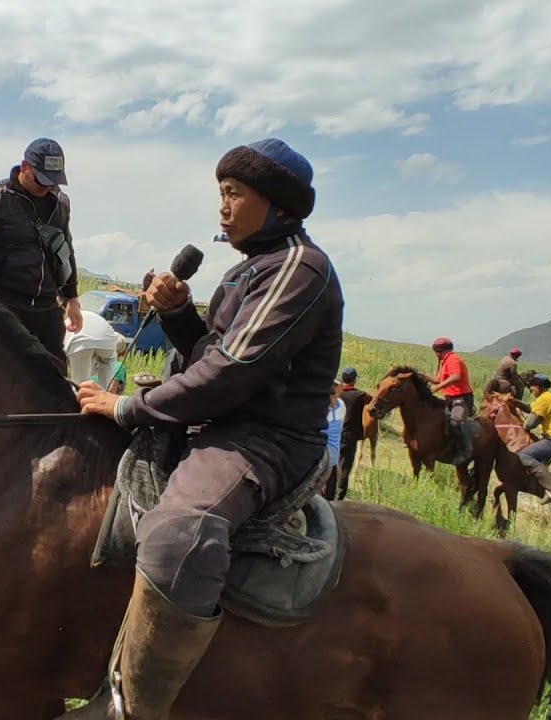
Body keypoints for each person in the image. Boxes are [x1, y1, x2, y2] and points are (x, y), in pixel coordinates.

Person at [71, 138, 343, 718]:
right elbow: (208, 355)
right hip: (224, 421)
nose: (222, 206)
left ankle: (133, 707)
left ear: (279, 206)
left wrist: (129, 408)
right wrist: (176, 315)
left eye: (235, 193)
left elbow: (231, 372)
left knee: (181, 528)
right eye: (221, 192)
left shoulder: (301, 267)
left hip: (264, 441)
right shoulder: (252, 271)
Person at [0, 138, 83, 370]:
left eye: (52, 182)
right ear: (24, 167)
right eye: (41, 181)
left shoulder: (61, 202)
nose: (46, 188)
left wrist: (72, 297)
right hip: (4, 304)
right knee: (1, 377)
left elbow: (65, 248)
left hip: (47, 309)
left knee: (56, 382)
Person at [425, 337, 474, 465]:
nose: (436, 355)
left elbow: (455, 377)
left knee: (455, 423)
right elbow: (438, 379)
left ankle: (465, 450)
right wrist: (423, 376)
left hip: (461, 398)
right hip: (449, 398)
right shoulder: (445, 361)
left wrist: (437, 388)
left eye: (436, 352)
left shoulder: (453, 359)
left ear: (439, 351)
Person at [65, 311, 124, 387]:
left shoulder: (63, 323)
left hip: (80, 342)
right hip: (107, 339)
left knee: (81, 386)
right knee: (104, 390)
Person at [336, 367, 371, 496]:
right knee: (345, 467)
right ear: (354, 380)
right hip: (349, 436)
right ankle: (339, 495)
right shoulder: (360, 395)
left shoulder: (335, 391)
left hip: (333, 432)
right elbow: (374, 401)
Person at [322, 382, 347, 501]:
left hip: (332, 463)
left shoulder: (341, 406)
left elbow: (337, 437)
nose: (336, 398)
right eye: (333, 395)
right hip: (320, 464)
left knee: (329, 501)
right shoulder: (319, 412)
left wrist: (336, 463)